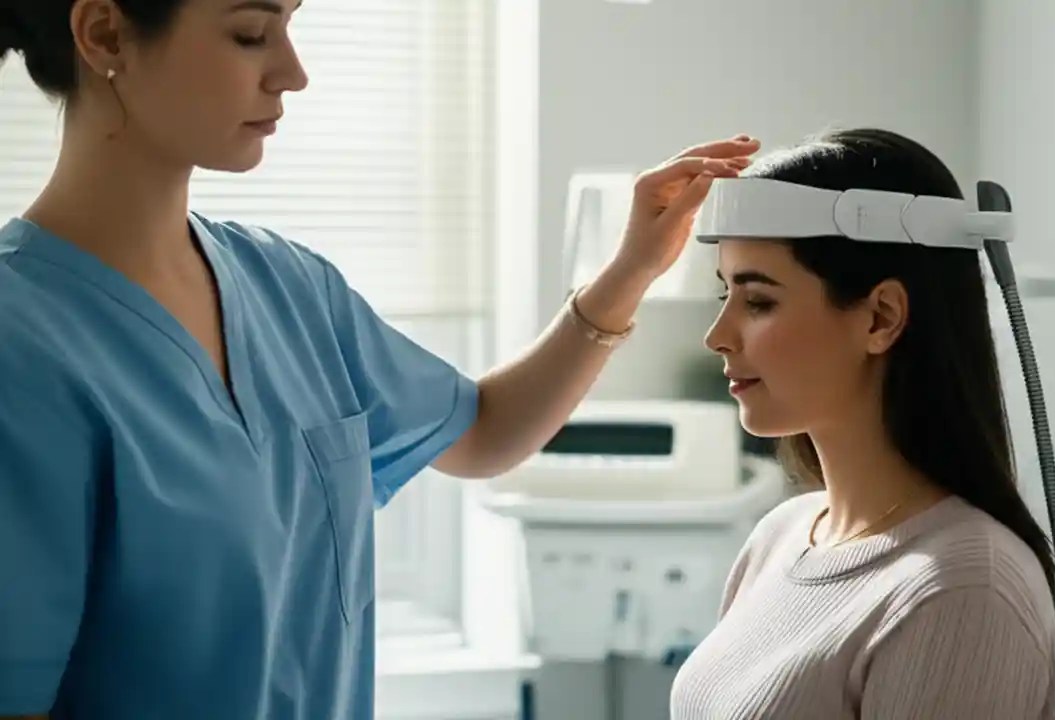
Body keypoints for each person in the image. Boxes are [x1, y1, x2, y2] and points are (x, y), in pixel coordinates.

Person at [0, 1, 759, 718]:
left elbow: (485, 432)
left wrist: (630, 268)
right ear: (104, 35)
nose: (293, 72)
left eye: (290, 27)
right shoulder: (21, 342)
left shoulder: (291, 288)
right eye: (249, 34)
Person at [668, 128, 1055, 719]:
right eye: (725, 294)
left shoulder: (962, 594)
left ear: (880, 317)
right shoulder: (782, 535)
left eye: (758, 301)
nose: (717, 336)